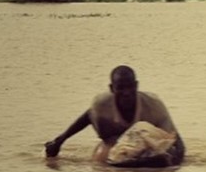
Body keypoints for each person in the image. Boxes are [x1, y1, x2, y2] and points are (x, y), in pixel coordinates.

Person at [44, 65, 185, 165]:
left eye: (130, 87)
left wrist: (174, 163)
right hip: (112, 145)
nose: (126, 93)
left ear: (136, 86)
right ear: (112, 88)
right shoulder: (102, 104)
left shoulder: (154, 105)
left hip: (144, 145)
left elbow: (177, 141)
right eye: (121, 88)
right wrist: (59, 142)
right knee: (103, 163)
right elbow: (87, 117)